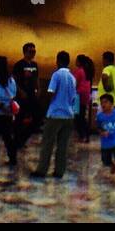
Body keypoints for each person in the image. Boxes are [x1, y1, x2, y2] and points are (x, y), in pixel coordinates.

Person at [31, 51, 79, 179]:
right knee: (62, 145)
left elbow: (51, 92)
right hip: (68, 115)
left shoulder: (56, 75)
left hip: (55, 114)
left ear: (58, 61)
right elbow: (75, 97)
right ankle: (59, 171)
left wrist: (44, 105)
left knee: (47, 143)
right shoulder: (72, 78)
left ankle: (42, 170)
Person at [12, 42, 42, 148]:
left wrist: (38, 88)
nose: (32, 53)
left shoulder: (34, 65)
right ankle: (17, 141)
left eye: (34, 51)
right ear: (25, 52)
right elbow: (14, 80)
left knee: (37, 118)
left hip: (32, 95)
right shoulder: (19, 65)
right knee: (19, 119)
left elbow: (36, 77)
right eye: (30, 51)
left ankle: (23, 138)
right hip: (22, 96)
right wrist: (20, 91)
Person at [73, 54, 94, 142]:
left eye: (77, 60)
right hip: (86, 95)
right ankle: (86, 134)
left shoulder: (79, 71)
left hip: (78, 95)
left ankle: (82, 135)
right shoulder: (87, 71)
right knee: (82, 115)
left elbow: (75, 84)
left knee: (78, 116)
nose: (75, 62)